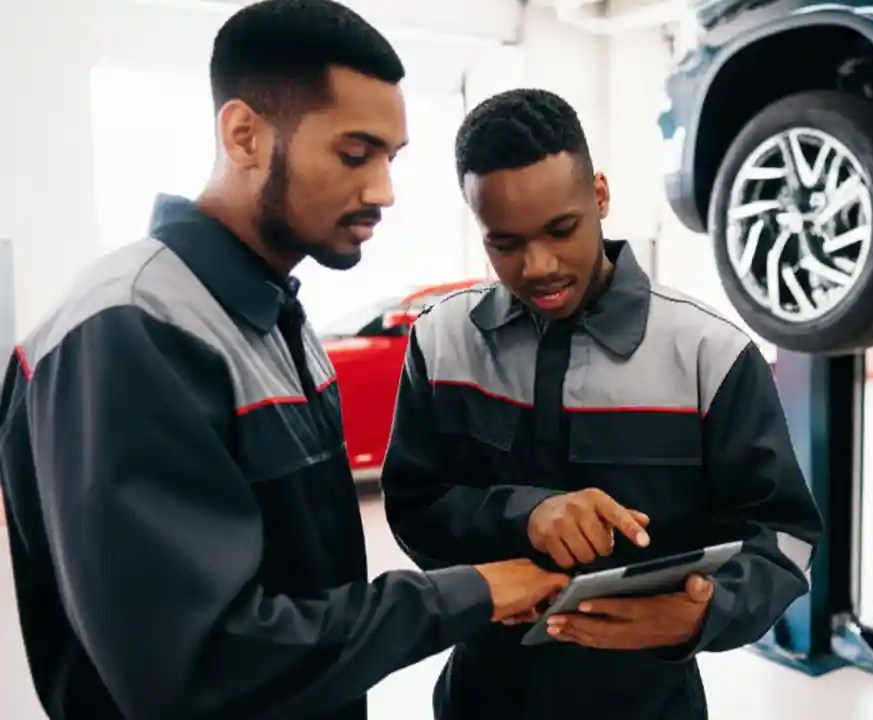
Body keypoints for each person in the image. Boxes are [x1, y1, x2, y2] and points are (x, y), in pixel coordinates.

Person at [0, 3, 567, 719]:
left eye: (391, 159)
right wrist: (470, 593)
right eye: (354, 153)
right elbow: (200, 665)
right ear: (244, 135)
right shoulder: (129, 328)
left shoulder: (278, 322)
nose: (383, 192)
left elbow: (302, 598)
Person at [379, 88, 825, 720]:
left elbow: (784, 536)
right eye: (504, 243)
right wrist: (523, 518)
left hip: (648, 705)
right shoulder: (440, 341)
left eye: (562, 230)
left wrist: (704, 612)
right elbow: (412, 502)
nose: (539, 266)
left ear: (601, 196)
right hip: (481, 700)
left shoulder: (709, 354)